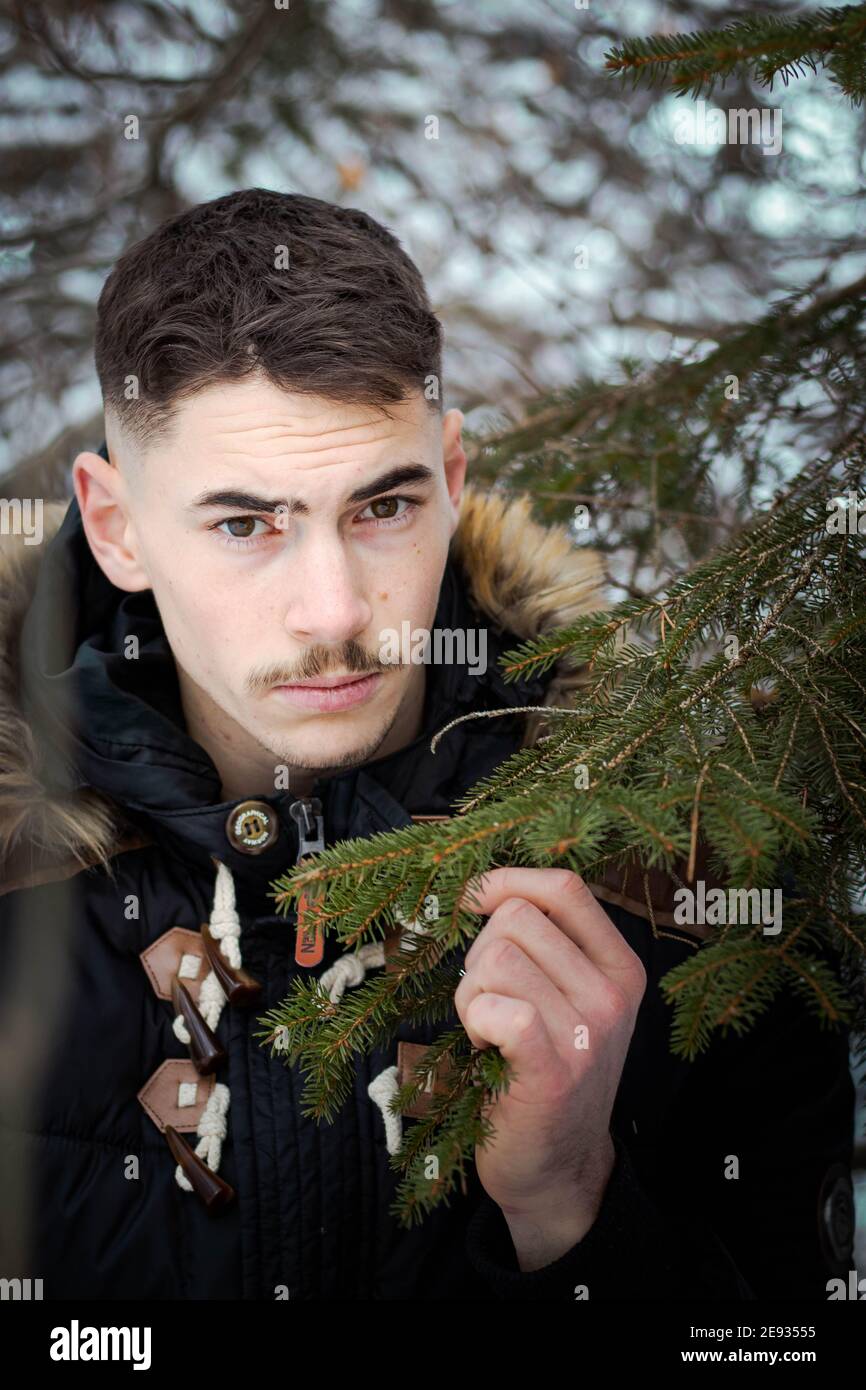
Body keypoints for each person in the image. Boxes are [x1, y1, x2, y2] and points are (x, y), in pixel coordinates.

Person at [0, 188, 855, 1300]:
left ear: (450, 479)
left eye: (381, 508)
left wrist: (568, 1205)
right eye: (245, 524)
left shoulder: (683, 869)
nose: (335, 611)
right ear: (116, 528)